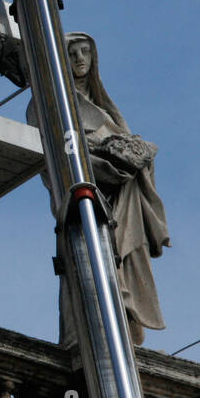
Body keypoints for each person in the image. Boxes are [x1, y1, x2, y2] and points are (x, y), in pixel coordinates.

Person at [28, 32, 170, 346]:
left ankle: (127, 313)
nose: (80, 59)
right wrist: (103, 154)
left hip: (121, 196)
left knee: (118, 256)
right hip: (87, 199)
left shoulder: (105, 107)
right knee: (97, 260)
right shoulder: (48, 103)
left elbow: (129, 151)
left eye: (86, 53)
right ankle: (112, 314)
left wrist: (131, 154)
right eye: (73, 53)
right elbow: (52, 154)